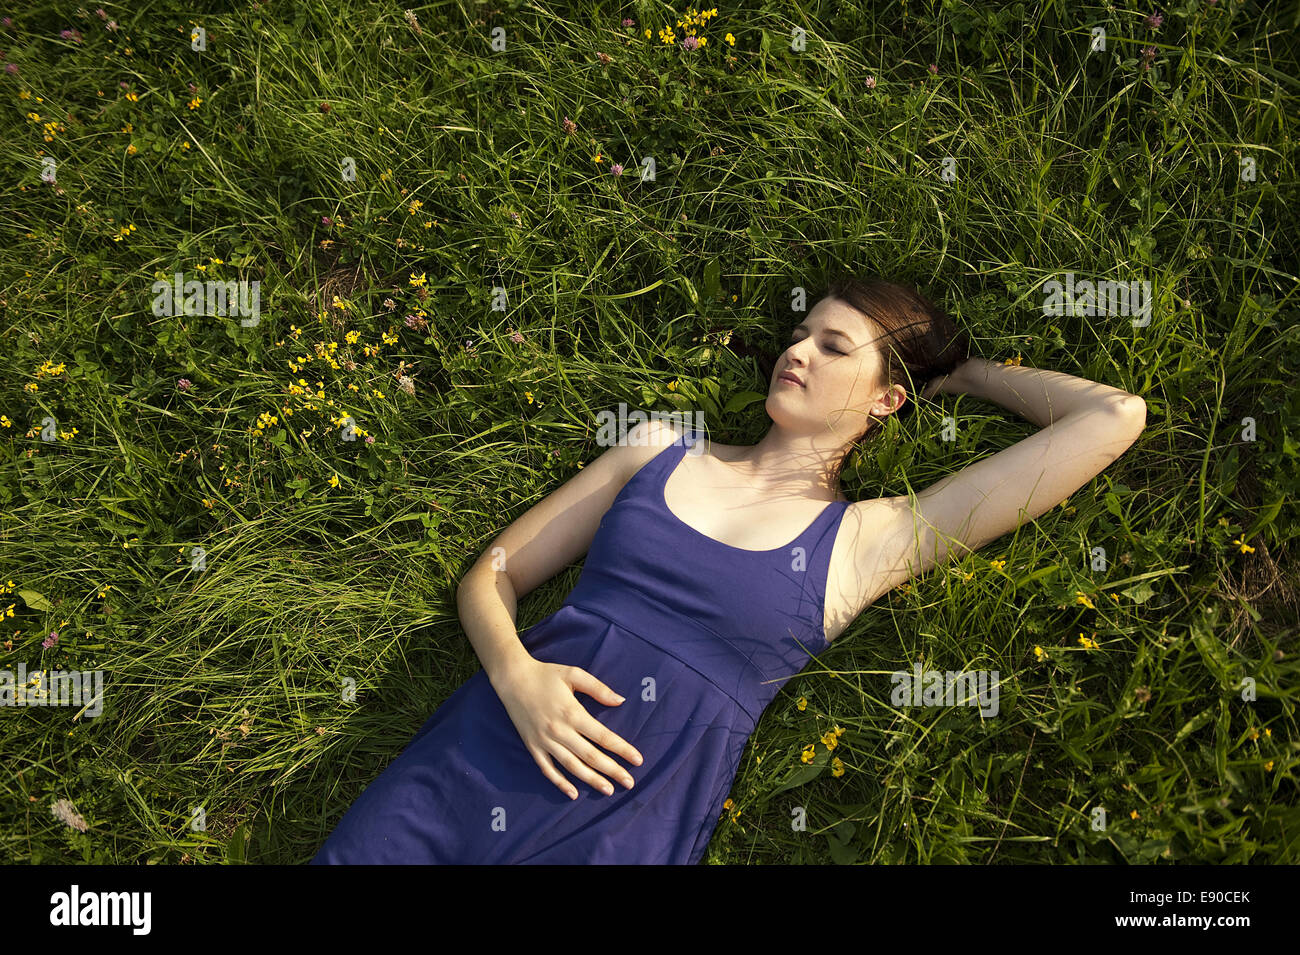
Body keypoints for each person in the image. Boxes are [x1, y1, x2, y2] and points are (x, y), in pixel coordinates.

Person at [310, 273, 1147, 864]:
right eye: (798, 334)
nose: (800, 352)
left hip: (621, 828)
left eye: (833, 345)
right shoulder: (657, 452)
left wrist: (953, 373)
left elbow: (1113, 415)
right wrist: (518, 676)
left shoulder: (865, 543)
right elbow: (491, 570)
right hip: (472, 761)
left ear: (888, 398)